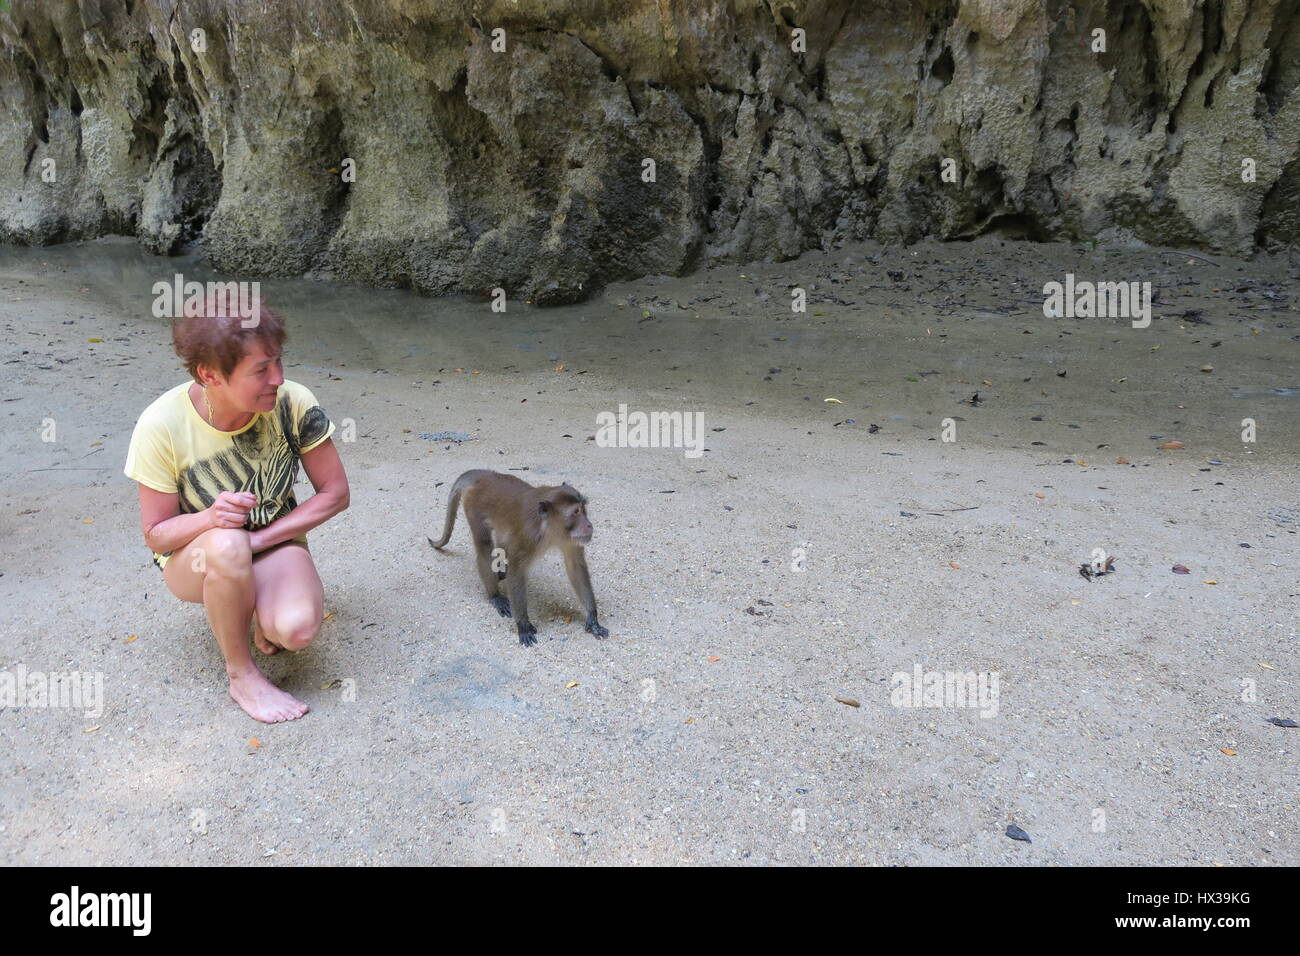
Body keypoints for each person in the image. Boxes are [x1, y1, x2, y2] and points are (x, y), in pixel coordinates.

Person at [123, 306, 349, 723]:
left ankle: (259, 603)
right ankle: (241, 674)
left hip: (272, 541)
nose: (278, 378)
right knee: (227, 544)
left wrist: (259, 541)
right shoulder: (161, 425)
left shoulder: (294, 401)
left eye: (279, 361)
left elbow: (335, 494)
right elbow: (156, 535)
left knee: (296, 631)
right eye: (261, 369)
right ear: (209, 374)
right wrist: (210, 518)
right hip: (196, 558)